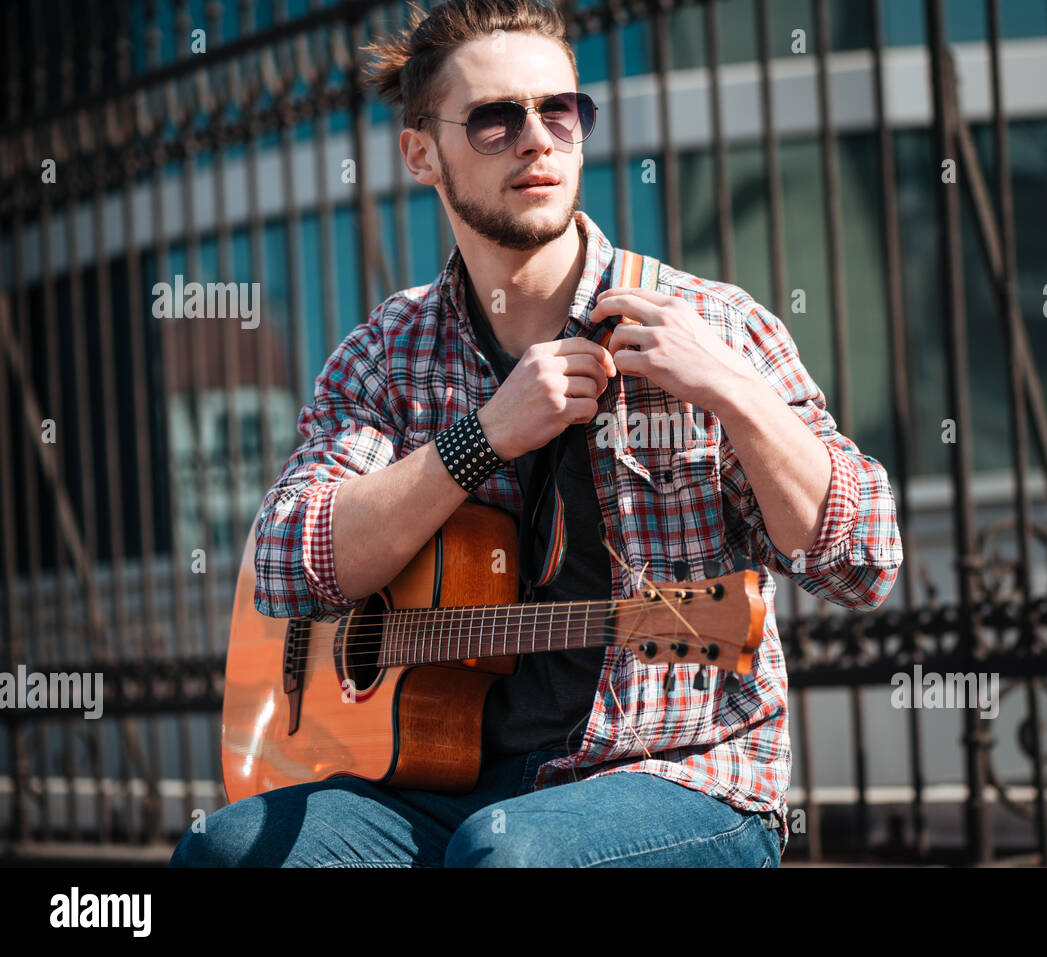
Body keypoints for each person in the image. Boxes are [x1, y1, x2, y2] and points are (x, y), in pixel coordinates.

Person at [171, 0, 901, 868]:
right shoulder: (390, 352)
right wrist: (480, 439)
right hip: (438, 787)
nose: (537, 138)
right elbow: (289, 560)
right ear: (421, 153)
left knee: (508, 856)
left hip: (679, 779)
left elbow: (863, 561)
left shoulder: (711, 323)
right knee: (226, 850)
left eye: (560, 110)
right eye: (493, 119)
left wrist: (737, 395)